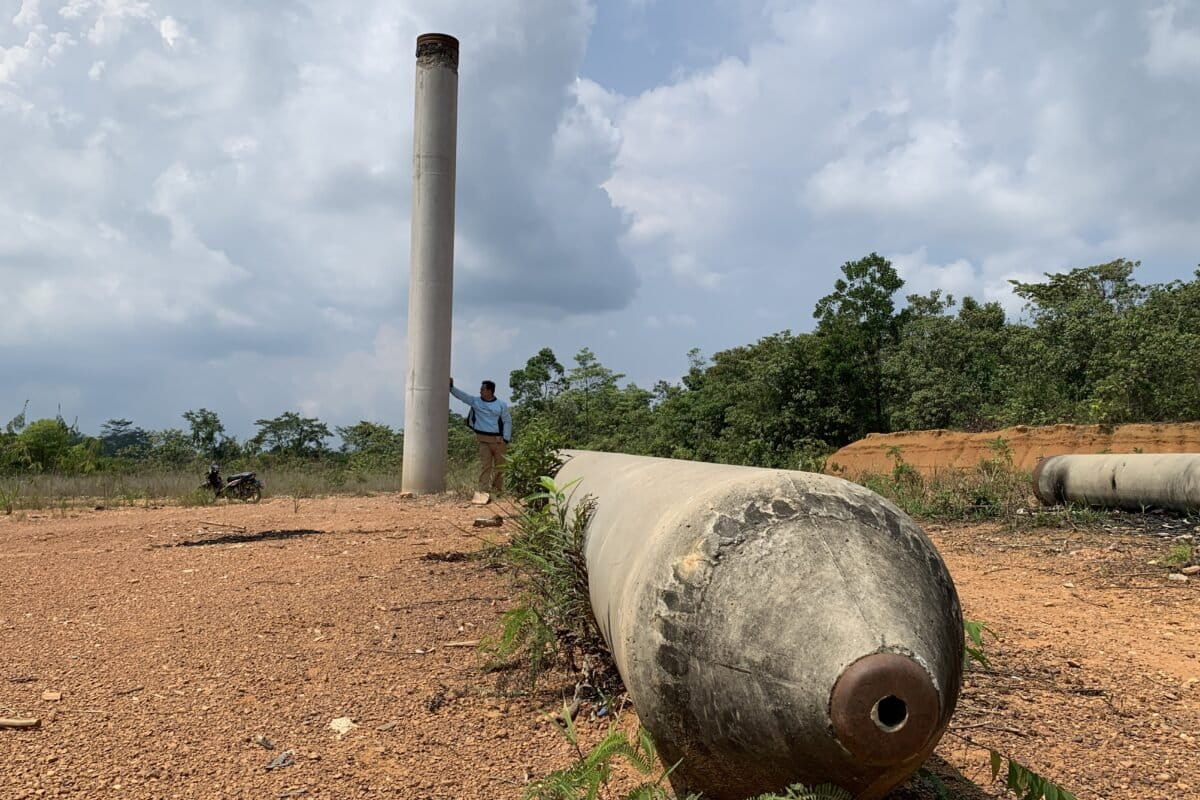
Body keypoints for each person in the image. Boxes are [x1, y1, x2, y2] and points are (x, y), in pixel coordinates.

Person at [450, 377, 513, 497]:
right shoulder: (476, 402)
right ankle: (483, 491)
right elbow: (463, 397)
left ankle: (497, 490)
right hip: (483, 440)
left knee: (500, 467)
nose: (480, 391)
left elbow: (507, 421)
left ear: (490, 391)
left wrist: (506, 439)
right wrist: (451, 388)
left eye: (483, 389)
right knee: (485, 466)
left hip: (499, 441)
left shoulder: (501, 405)